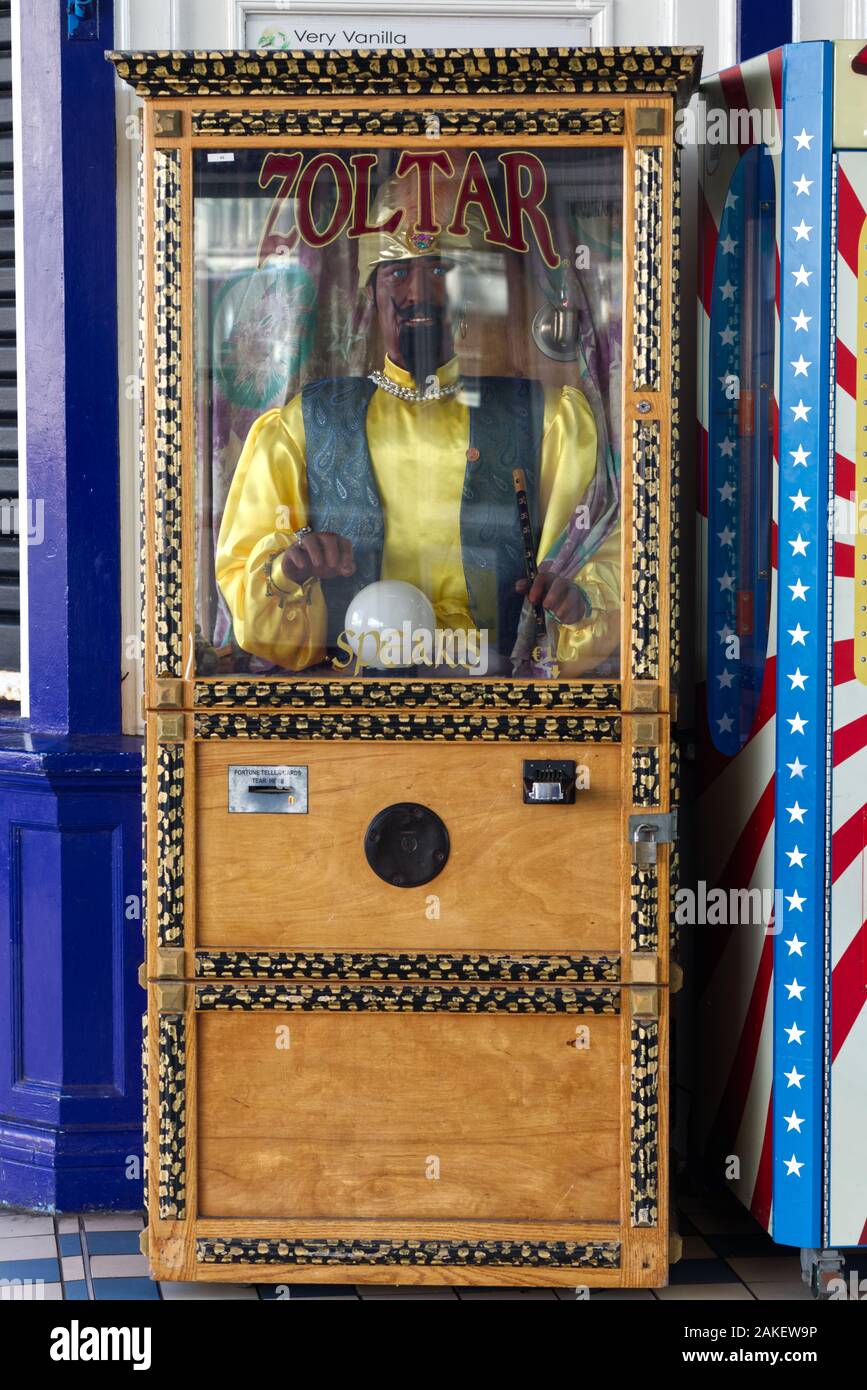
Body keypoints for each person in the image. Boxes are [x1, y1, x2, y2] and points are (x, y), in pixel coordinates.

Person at [215, 171, 620, 676]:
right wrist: (287, 569)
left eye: (439, 271)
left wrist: (574, 601)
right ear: (371, 294)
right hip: (351, 701)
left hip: (499, 698)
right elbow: (247, 575)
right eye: (398, 273)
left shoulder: (548, 418)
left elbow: (605, 554)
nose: (417, 293)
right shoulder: (307, 421)